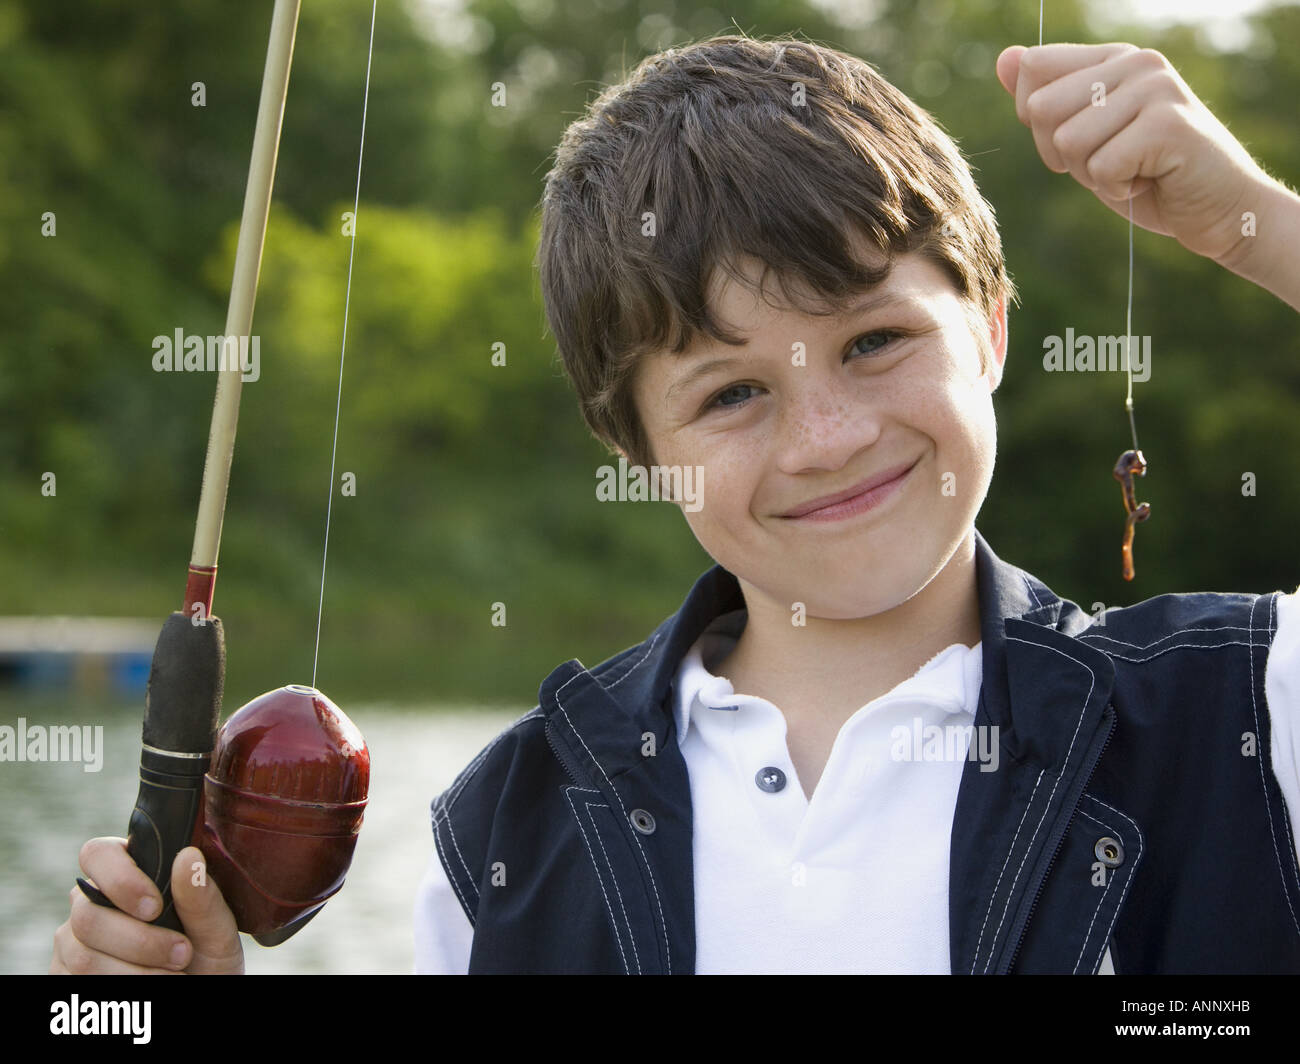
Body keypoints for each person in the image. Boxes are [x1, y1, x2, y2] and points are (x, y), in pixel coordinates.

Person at [52, 32, 1300, 975]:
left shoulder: (1248, 710)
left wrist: (1256, 227)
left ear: (987, 330)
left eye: (872, 342)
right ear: (639, 447)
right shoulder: (507, 828)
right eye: (731, 393)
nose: (827, 436)